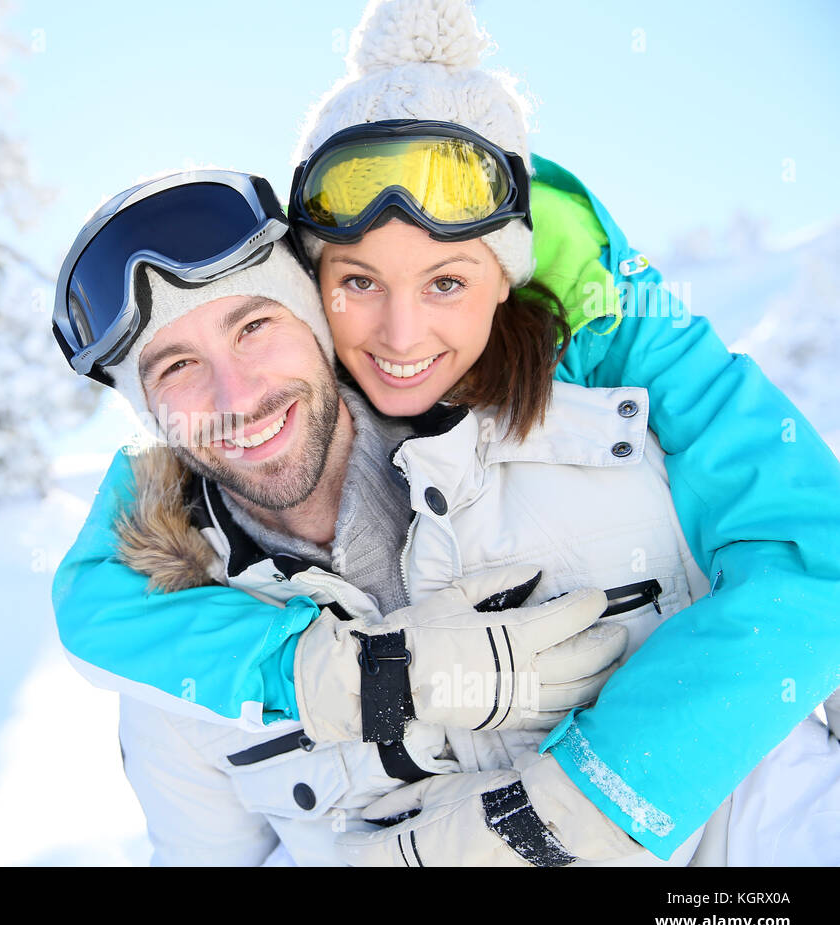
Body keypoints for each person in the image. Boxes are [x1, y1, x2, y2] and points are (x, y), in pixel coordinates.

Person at [52, 0, 840, 862]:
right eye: (176, 369)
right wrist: (336, 677)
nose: (234, 394)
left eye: (253, 328)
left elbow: (811, 573)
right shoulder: (180, 667)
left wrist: (578, 810)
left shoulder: (606, 413)